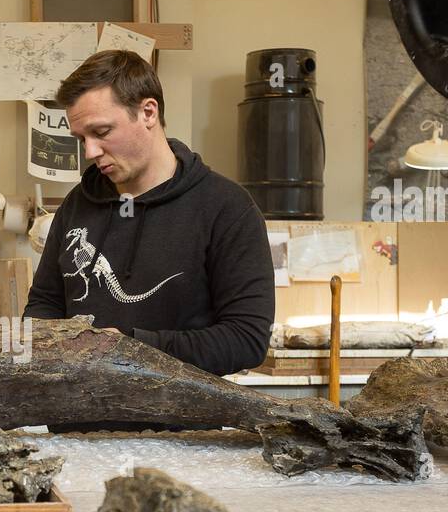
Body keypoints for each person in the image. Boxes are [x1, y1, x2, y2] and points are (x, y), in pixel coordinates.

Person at [24, 50, 274, 377]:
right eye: (81, 138)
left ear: (148, 112)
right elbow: (43, 306)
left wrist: (130, 348)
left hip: (183, 425)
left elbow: (246, 339)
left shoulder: (227, 208)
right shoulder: (77, 205)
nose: (90, 152)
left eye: (101, 132)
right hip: (75, 423)